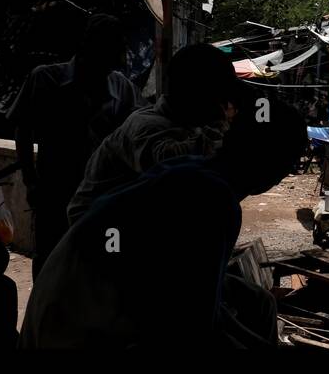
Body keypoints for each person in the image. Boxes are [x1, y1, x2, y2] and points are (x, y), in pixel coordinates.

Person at [18, 98, 306, 349]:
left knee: (254, 300)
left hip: (58, 309)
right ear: (275, 166)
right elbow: (191, 329)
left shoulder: (192, 171)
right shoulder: (213, 197)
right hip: (72, 329)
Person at [8, 14, 141, 278]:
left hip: (101, 198)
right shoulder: (45, 80)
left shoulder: (122, 88)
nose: (119, 59)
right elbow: (22, 131)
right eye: (112, 51)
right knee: (50, 265)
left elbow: (129, 143)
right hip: (54, 193)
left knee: (95, 269)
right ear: (89, 48)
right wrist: (31, 182)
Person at [66, 43, 242, 225]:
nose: (223, 104)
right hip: (93, 229)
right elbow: (170, 164)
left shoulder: (187, 126)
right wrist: (219, 128)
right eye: (218, 97)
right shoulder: (146, 125)